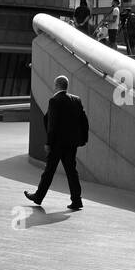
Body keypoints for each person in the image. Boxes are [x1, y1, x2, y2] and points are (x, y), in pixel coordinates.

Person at [24, 75, 87, 212]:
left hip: (57, 144)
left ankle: (38, 197)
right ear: (66, 86)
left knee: (49, 171)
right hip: (71, 144)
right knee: (72, 172)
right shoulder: (76, 100)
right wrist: (82, 139)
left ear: (56, 85)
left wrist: (48, 142)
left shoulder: (54, 100)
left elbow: (52, 124)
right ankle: (77, 200)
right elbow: (84, 121)